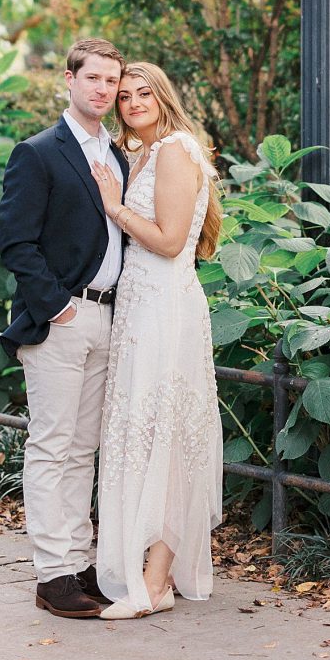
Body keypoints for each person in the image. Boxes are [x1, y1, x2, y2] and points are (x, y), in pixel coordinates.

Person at [0, 37, 128, 620]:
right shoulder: (39, 152)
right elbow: (16, 243)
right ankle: (52, 575)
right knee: (51, 447)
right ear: (69, 81)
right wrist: (58, 308)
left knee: (83, 450)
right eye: (93, 78)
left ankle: (77, 565)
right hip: (61, 321)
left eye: (111, 82)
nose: (103, 89)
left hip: (109, 315)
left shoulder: (120, 155)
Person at [90, 61, 224, 619]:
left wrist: (115, 208)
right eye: (124, 97)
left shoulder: (174, 149)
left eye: (144, 93)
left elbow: (171, 242)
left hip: (166, 306)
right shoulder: (141, 153)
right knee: (143, 434)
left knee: (167, 438)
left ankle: (155, 581)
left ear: (163, 97)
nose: (133, 103)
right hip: (138, 310)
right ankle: (151, 573)